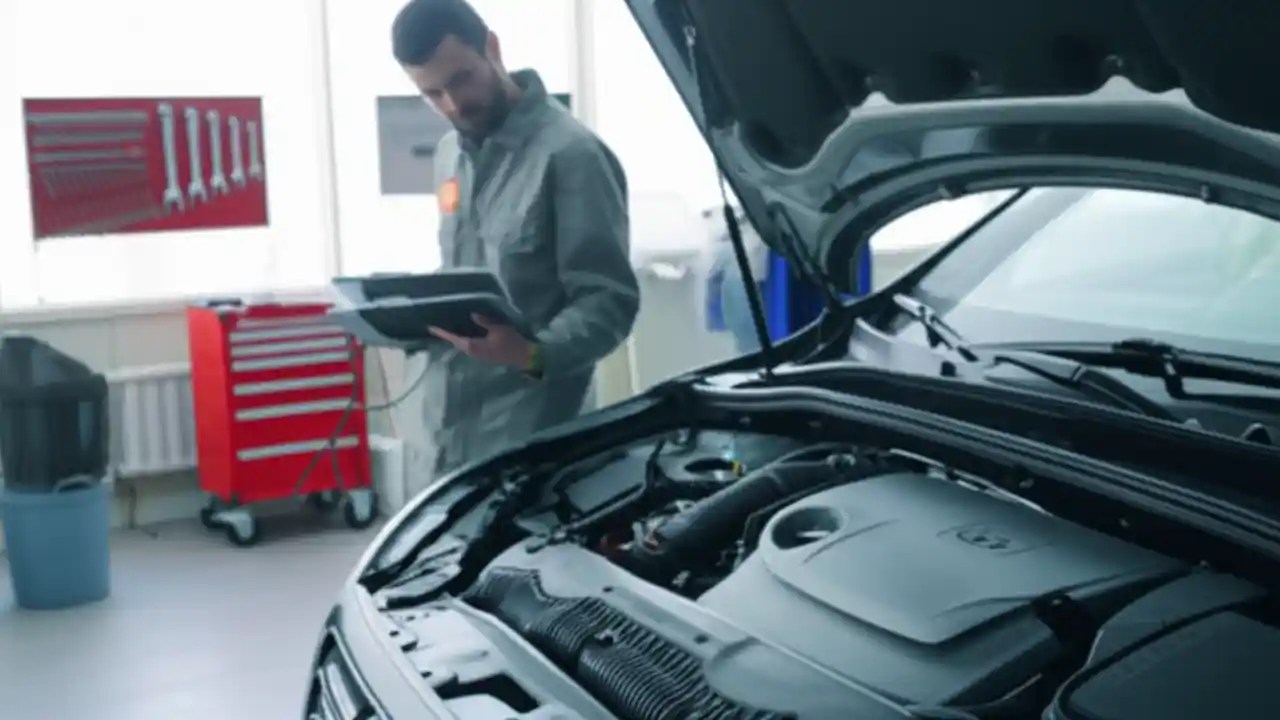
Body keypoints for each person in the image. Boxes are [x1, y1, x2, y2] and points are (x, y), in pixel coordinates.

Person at [391, 0, 640, 478]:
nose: (452, 105)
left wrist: (531, 353)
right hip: (444, 433)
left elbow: (609, 303)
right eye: (432, 93)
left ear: (492, 48)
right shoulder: (450, 154)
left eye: (461, 79)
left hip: (528, 442)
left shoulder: (573, 156)